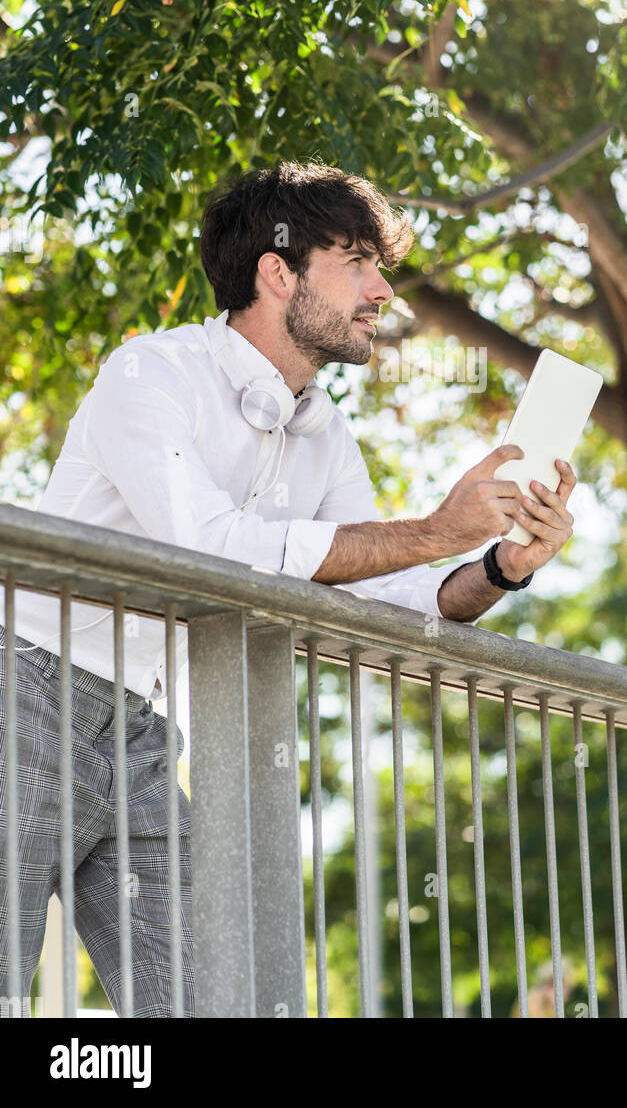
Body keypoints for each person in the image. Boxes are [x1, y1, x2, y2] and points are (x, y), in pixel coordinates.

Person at [0, 160, 576, 1017]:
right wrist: (433, 529)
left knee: (207, 999)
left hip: (150, 735)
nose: (383, 290)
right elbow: (206, 548)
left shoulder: (324, 428)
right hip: (28, 699)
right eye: (358, 261)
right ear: (278, 271)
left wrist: (497, 565)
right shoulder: (148, 374)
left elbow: (389, 595)